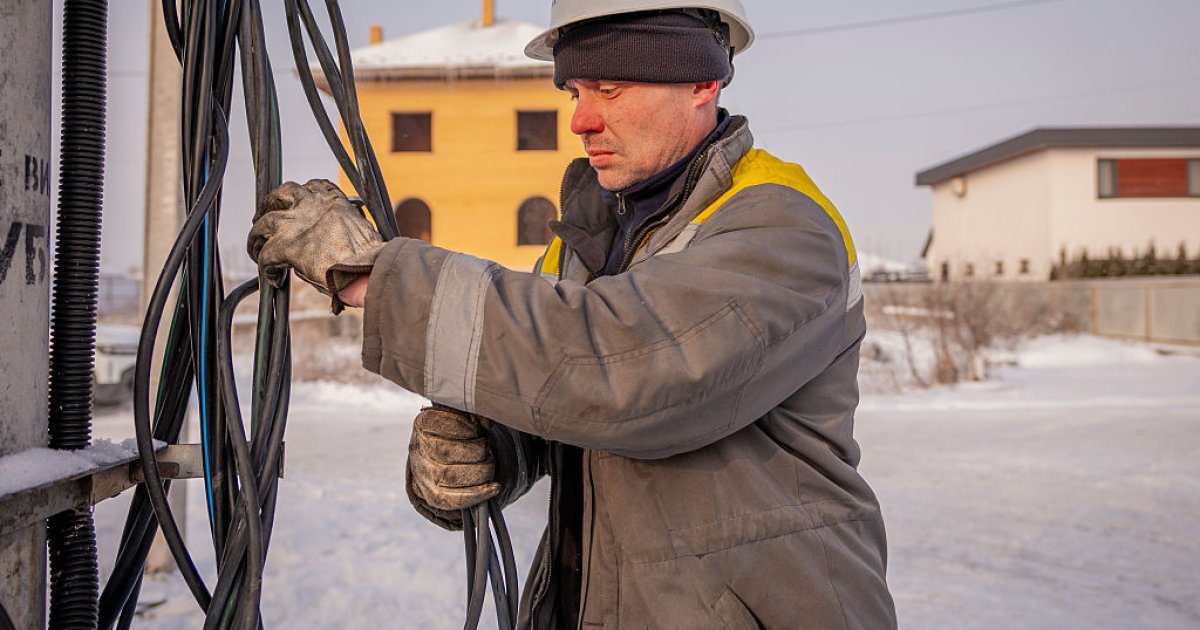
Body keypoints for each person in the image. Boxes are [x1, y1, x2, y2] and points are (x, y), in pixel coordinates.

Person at [248, 1, 897, 627]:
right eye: (574, 92)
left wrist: (376, 276)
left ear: (702, 80)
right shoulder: (591, 236)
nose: (581, 121)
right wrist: (494, 451)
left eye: (608, 90)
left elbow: (626, 373)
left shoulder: (780, 223)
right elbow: (563, 398)